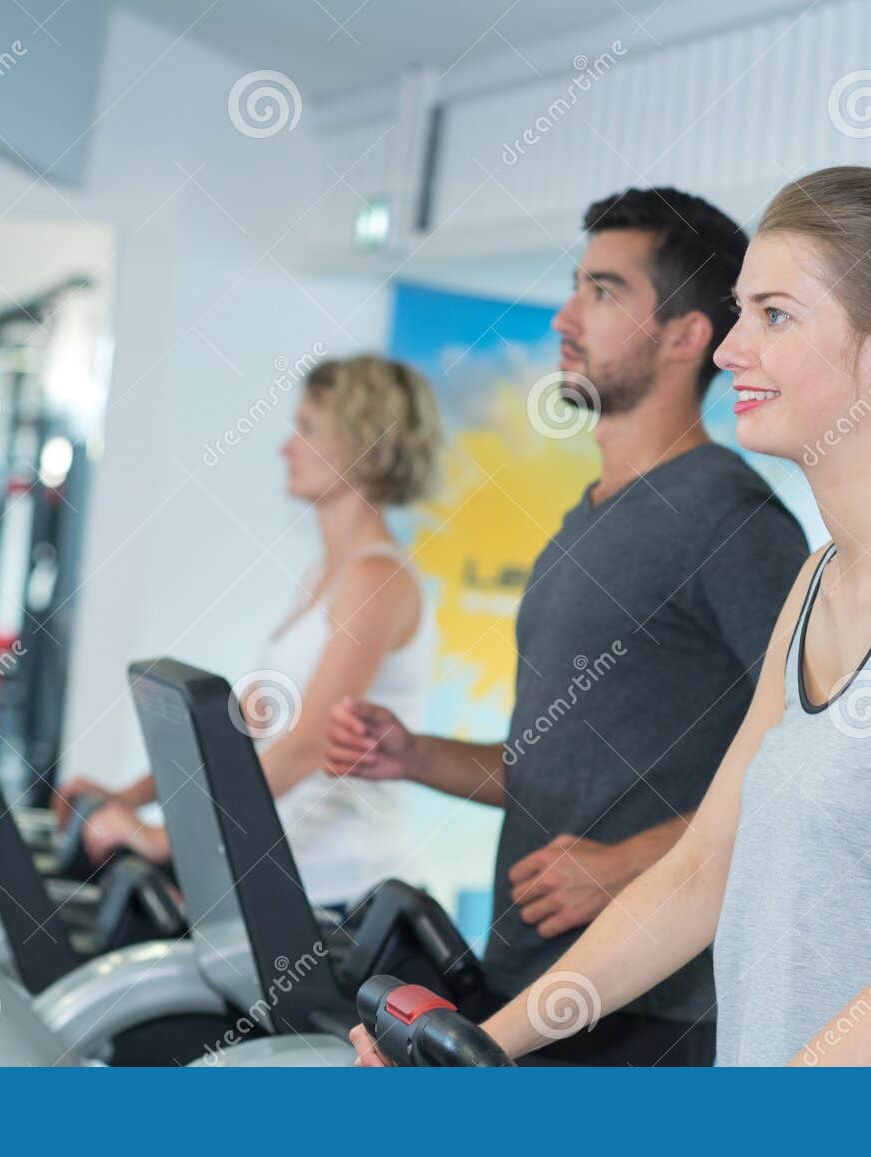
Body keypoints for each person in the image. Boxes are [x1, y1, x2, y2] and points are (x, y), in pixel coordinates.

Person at [351, 165, 871, 1068]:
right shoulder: (815, 584)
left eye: (775, 316)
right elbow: (698, 875)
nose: (730, 349)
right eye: (740, 313)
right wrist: (474, 1047)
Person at [324, 188, 809, 1065]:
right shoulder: (586, 518)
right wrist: (416, 754)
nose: (565, 316)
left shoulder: (732, 519)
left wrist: (630, 863)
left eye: (603, 291)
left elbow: (812, 769)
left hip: (651, 1017)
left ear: (686, 336)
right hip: (532, 993)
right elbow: (557, 773)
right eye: (576, 287)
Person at [56, 354, 443, 911]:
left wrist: (167, 838)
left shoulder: (376, 579)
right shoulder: (321, 576)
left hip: (344, 890)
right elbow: (245, 727)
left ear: (364, 446)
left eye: (308, 429)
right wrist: (132, 796)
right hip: (288, 874)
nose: (287, 447)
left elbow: (312, 742)